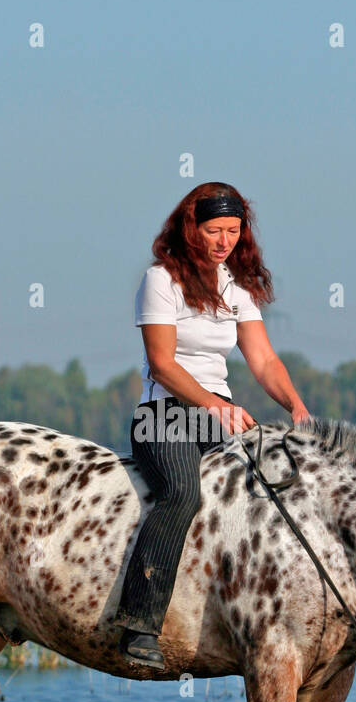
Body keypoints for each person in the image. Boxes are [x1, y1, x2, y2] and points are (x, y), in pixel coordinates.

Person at [113, 182, 311, 669]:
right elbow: (162, 365)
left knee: (282, 487)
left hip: (218, 413)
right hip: (166, 414)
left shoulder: (237, 287)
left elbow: (263, 361)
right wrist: (213, 406)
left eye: (233, 230)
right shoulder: (161, 280)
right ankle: (139, 624)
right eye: (214, 230)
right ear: (191, 229)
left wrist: (296, 407)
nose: (224, 240)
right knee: (182, 493)